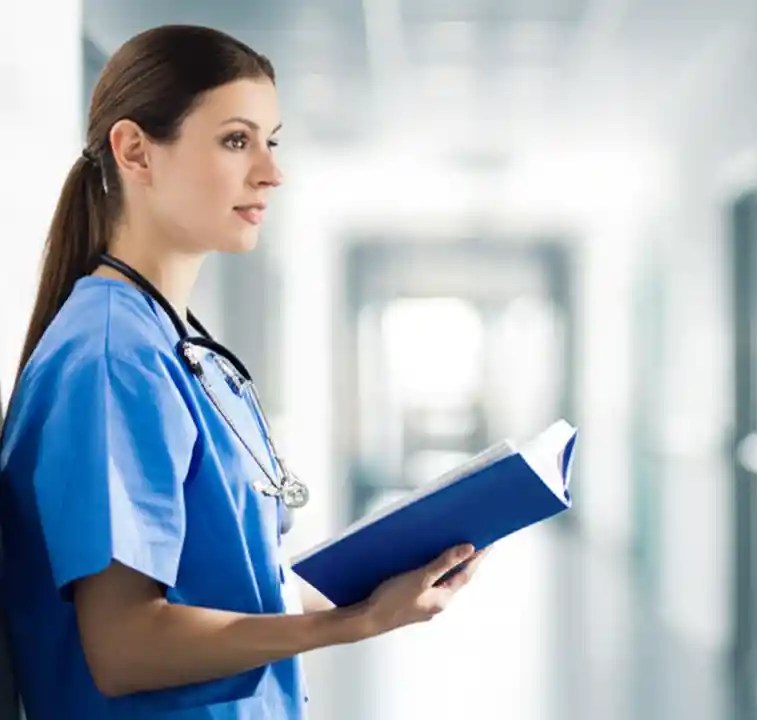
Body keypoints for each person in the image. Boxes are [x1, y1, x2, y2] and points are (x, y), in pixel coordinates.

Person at [0, 24, 488, 719]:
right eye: (236, 140)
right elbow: (125, 646)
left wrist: (385, 575)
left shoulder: (174, 342)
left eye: (272, 140)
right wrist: (355, 625)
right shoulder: (112, 357)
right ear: (135, 151)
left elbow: (233, 590)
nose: (270, 171)